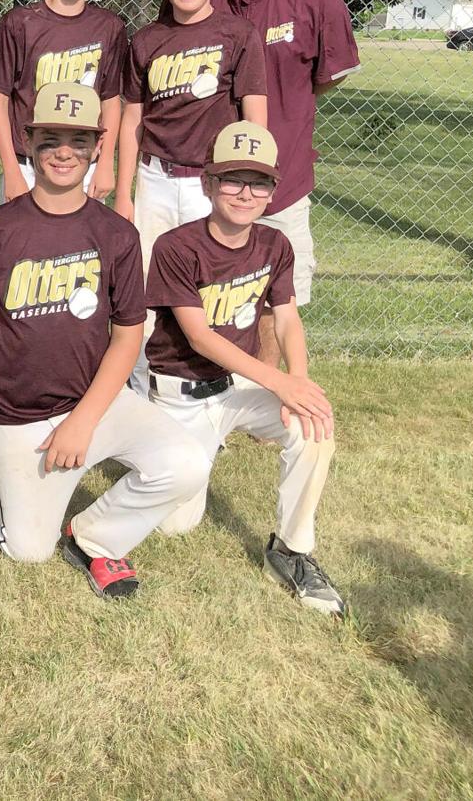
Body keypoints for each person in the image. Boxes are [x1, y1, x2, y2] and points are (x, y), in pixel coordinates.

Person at [0, 84, 210, 599]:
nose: (64, 152)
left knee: (186, 464)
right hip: (22, 413)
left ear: (97, 148)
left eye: (78, 141)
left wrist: (83, 421)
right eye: (51, 139)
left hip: (95, 404)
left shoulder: (116, 234)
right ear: (29, 140)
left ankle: (94, 537)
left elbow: (128, 335)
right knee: (27, 551)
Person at [143, 121, 344, 616]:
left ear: (273, 191)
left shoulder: (275, 246)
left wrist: (298, 382)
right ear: (208, 183)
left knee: (314, 424)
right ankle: (155, 452)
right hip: (179, 392)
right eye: (232, 179)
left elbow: (288, 318)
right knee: (176, 525)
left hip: (233, 390)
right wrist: (277, 380)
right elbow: (199, 336)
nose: (245, 193)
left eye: (258, 182)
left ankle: (291, 550)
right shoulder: (177, 247)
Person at [216, 0, 362, 361]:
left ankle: (262, 393)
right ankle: (201, 390)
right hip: (203, 173)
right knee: (202, 287)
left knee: (278, 296)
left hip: (282, 174)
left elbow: (329, 74)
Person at [115, 0, 268, 270]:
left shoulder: (239, 34)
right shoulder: (146, 40)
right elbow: (132, 121)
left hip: (211, 180)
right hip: (154, 178)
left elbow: (255, 121)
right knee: (147, 279)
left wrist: (247, 181)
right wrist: (124, 193)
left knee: (209, 281)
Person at [0, 0, 128, 205]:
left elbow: (111, 100)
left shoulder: (109, 26)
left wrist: (104, 164)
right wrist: (11, 169)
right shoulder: (20, 22)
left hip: (83, 162)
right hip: (27, 163)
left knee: (80, 249)